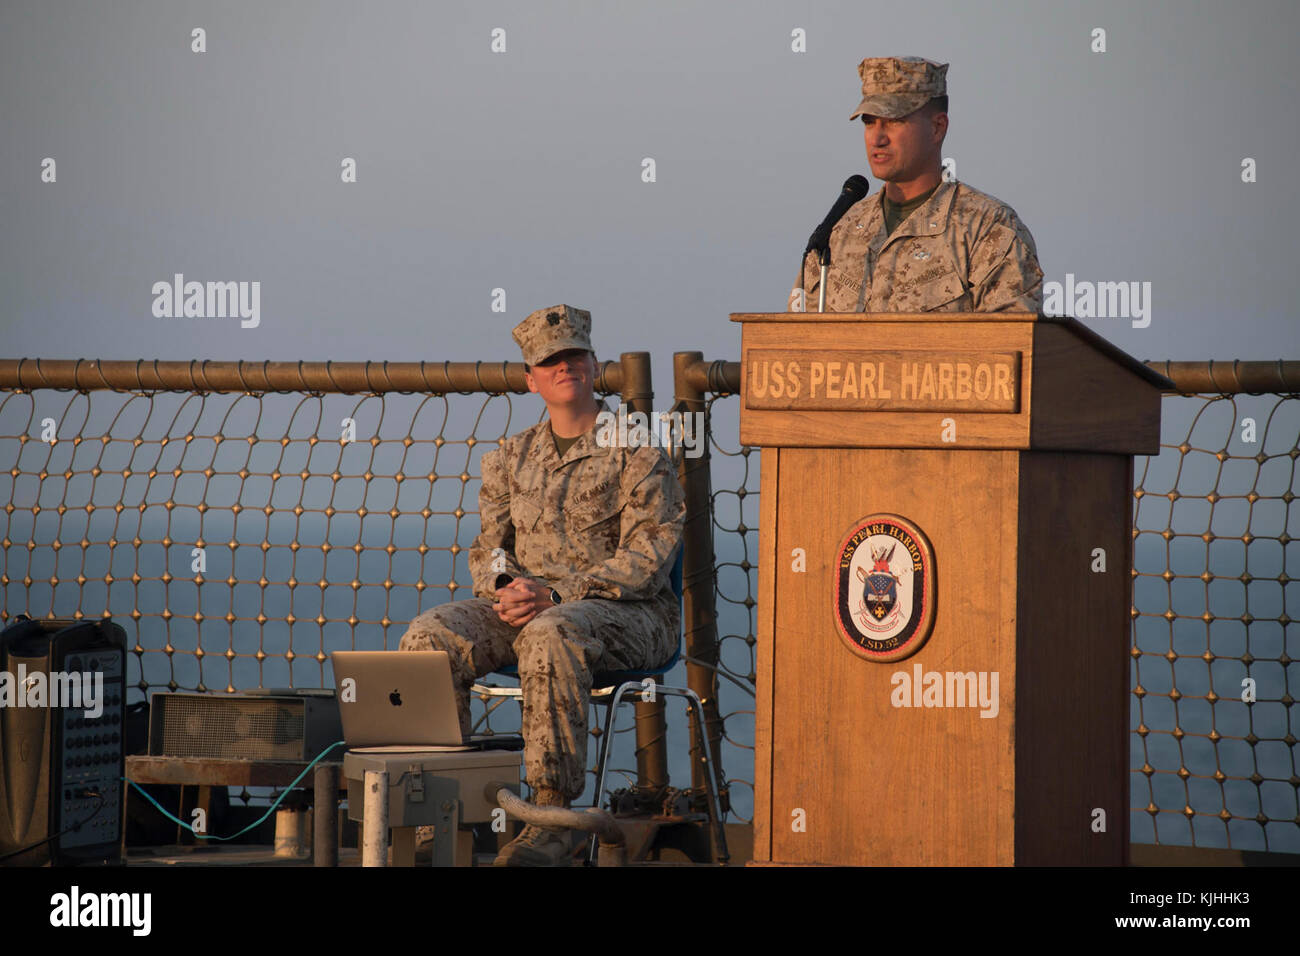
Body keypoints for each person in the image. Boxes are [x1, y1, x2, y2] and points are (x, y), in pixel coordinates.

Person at [397, 304, 684, 867]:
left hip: (631, 616)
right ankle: (442, 814)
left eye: (574, 355)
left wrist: (556, 595)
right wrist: (505, 587)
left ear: (594, 365)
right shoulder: (508, 458)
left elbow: (649, 556)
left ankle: (553, 820)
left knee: (551, 632)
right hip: (527, 609)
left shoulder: (640, 451)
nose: (564, 366)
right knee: (429, 637)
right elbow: (489, 548)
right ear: (532, 379)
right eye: (550, 360)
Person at [790, 56, 1043, 314]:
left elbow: (1011, 344)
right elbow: (795, 343)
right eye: (869, 122)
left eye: (893, 121)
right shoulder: (837, 232)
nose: (877, 138)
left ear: (937, 128)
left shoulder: (987, 228)